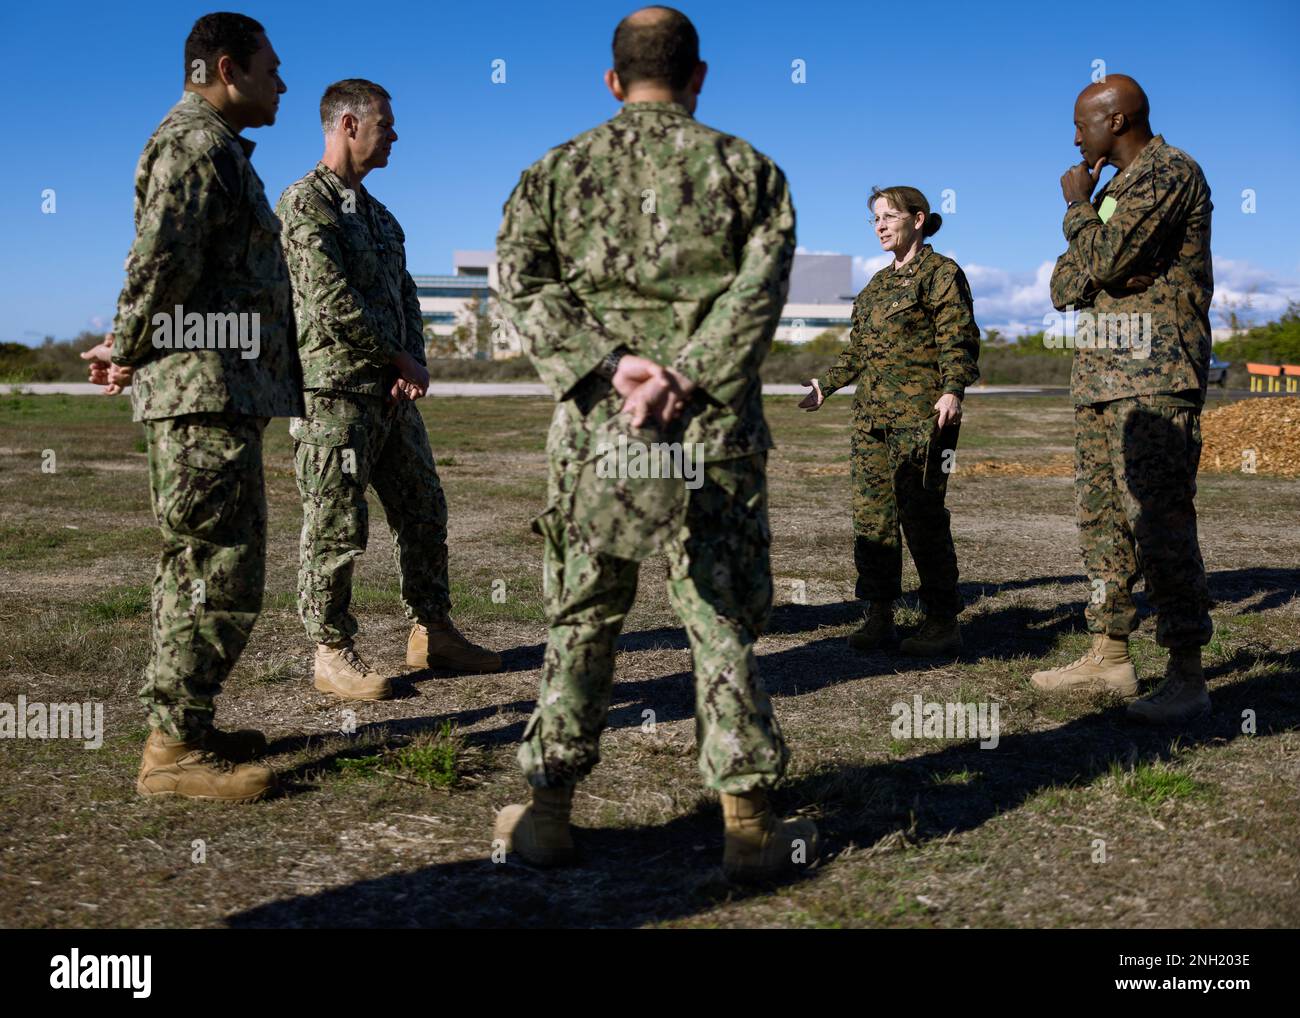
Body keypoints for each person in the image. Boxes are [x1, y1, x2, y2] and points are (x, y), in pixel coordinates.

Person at [494, 5, 817, 881]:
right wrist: (688, 375)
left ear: (612, 79)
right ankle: (747, 822)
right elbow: (761, 291)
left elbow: (520, 282)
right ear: (698, 75)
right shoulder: (750, 172)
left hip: (604, 429)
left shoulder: (554, 172)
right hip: (713, 431)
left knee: (584, 613)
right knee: (718, 620)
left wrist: (616, 368)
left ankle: (550, 811)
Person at [82, 13, 302, 802]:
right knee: (216, 563)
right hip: (202, 394)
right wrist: (130, 343)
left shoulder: (212, 147)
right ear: (224, 67)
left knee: (205, 559)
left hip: (217, 391)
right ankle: (172, 753)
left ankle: (188, 724)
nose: (283, 83)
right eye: (271, 68)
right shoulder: (196, 143)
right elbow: (161, 257)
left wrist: (128, 343)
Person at [276, 80, 500, 701]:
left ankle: (433, 633)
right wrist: (397, 355)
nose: (395, 136)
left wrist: (413, 362)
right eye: (387, 125)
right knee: (335, 524)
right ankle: (331, 651)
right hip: (334, 395)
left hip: (392, 396)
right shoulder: (303, 204)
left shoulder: (379, 215)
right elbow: (326, 300)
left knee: (424, 510)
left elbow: (406, 295)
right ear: (349, 125)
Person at [1031, 74, 1214, 726]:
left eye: (1083, 124)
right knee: (1101, 525)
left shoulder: (1169, 173)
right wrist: (1097, 242)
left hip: (1154, 379)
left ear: (1119, 119)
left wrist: (1080, 211)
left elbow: (1101, 264)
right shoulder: (1114, 194)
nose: (1075, 138)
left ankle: (1187, 674)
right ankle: (1110, 653)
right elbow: (1064, 281)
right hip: (1099, 382)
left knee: (1159, 523)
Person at [799, 187, 980, 657]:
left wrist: (952, 390)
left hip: (924, 420)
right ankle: (880, 614)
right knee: (873, 520)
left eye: (889, 216)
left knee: (922, 518)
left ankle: (942, 621)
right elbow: (859, 351)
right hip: (872, 421)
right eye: (874, 219)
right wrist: (827, 385)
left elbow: (958, 339)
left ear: (918, 219)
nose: (879, 225)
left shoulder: (941, 274)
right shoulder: (877, 286)